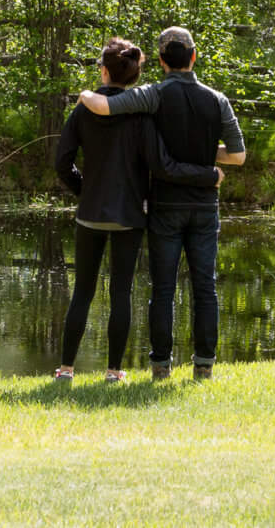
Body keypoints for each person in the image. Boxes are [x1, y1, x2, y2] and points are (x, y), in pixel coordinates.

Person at [77, 26, 244, 379]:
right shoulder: (218, 100)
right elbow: (238, 156)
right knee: (205, 287)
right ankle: (204, 367)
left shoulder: (152, 95)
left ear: (162, 62)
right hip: (204, 207)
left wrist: (83, 94)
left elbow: (105, 106)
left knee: (164, 289)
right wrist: (206, 161)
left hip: (166, 206)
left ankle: (161, 366)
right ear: (194, 57)